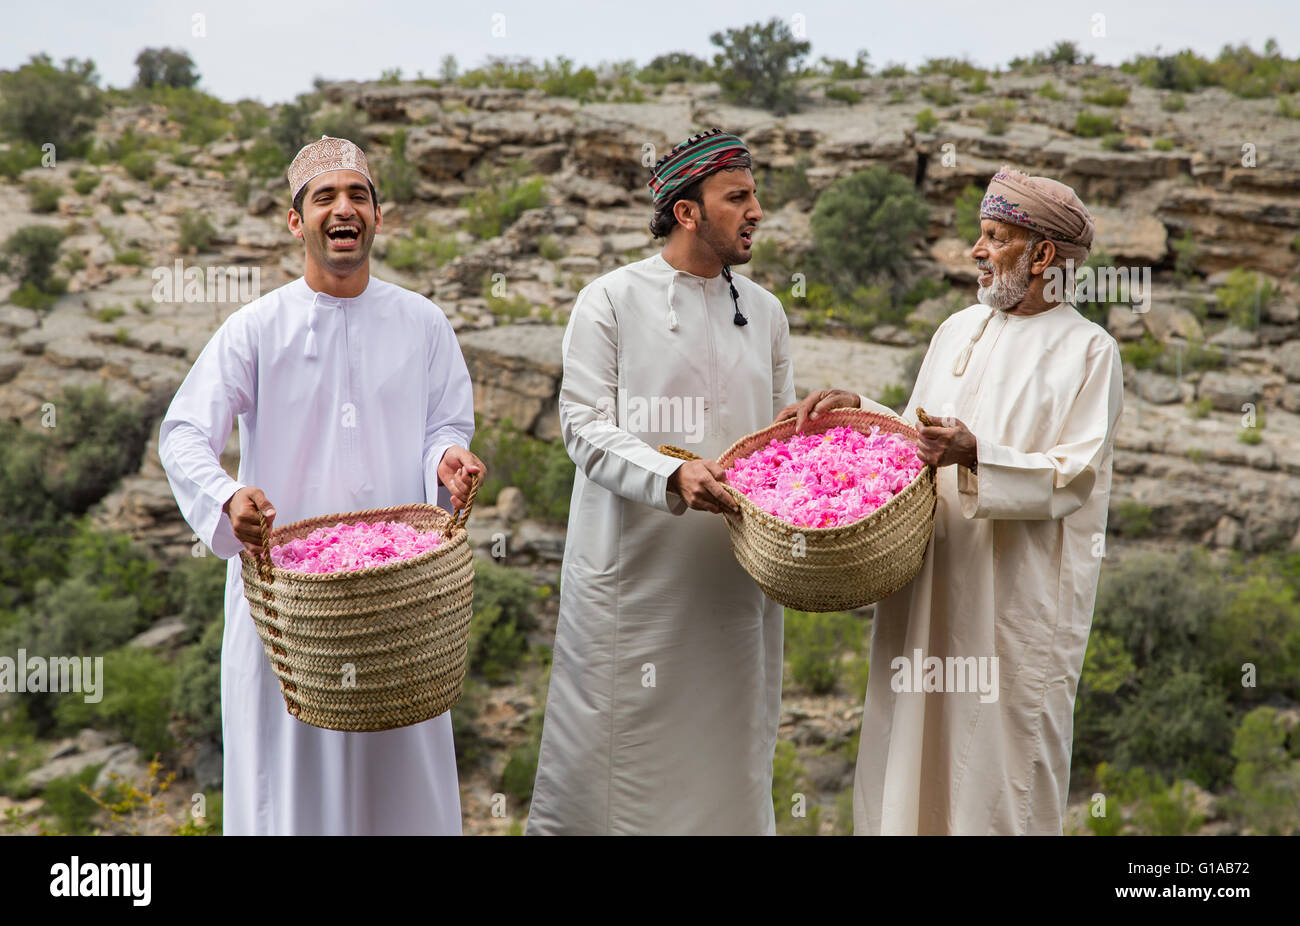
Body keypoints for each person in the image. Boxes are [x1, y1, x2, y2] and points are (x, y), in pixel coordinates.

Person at [779, 165, 1124, 835]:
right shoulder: (958, 329)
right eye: (981, 235)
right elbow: (918, 436)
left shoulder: (1090, 351)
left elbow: (1074, 476)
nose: (976, 250)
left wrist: (979, 455)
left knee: (998, 769)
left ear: (1044, 254)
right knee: (909, 752)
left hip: (1011, 600)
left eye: (994, 236)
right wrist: (860, 409)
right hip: (931, 579)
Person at [158, 135, 484, 835]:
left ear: (378, 216)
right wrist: (227, 497)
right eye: (325, 197)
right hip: (288, 612)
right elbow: (183, 432)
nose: (345, 208)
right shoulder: (256, 327)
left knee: (403, 798)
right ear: (295, 220)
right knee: (291, 804)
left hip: (398, 609)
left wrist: (448, 458)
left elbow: (444, 424)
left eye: (358, 195)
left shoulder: (424, 323)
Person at [526, 129, 795, 835]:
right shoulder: (609, 300)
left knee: (730, 776)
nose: (756, 210)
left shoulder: (765, 312)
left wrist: (819, 425)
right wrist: (673, 475)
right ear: (687, 211)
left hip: (732, 587)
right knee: (616, 779)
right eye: (737, 196)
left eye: (754, 193)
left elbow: (776, 447)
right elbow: (583, 426)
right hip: (633, 590)